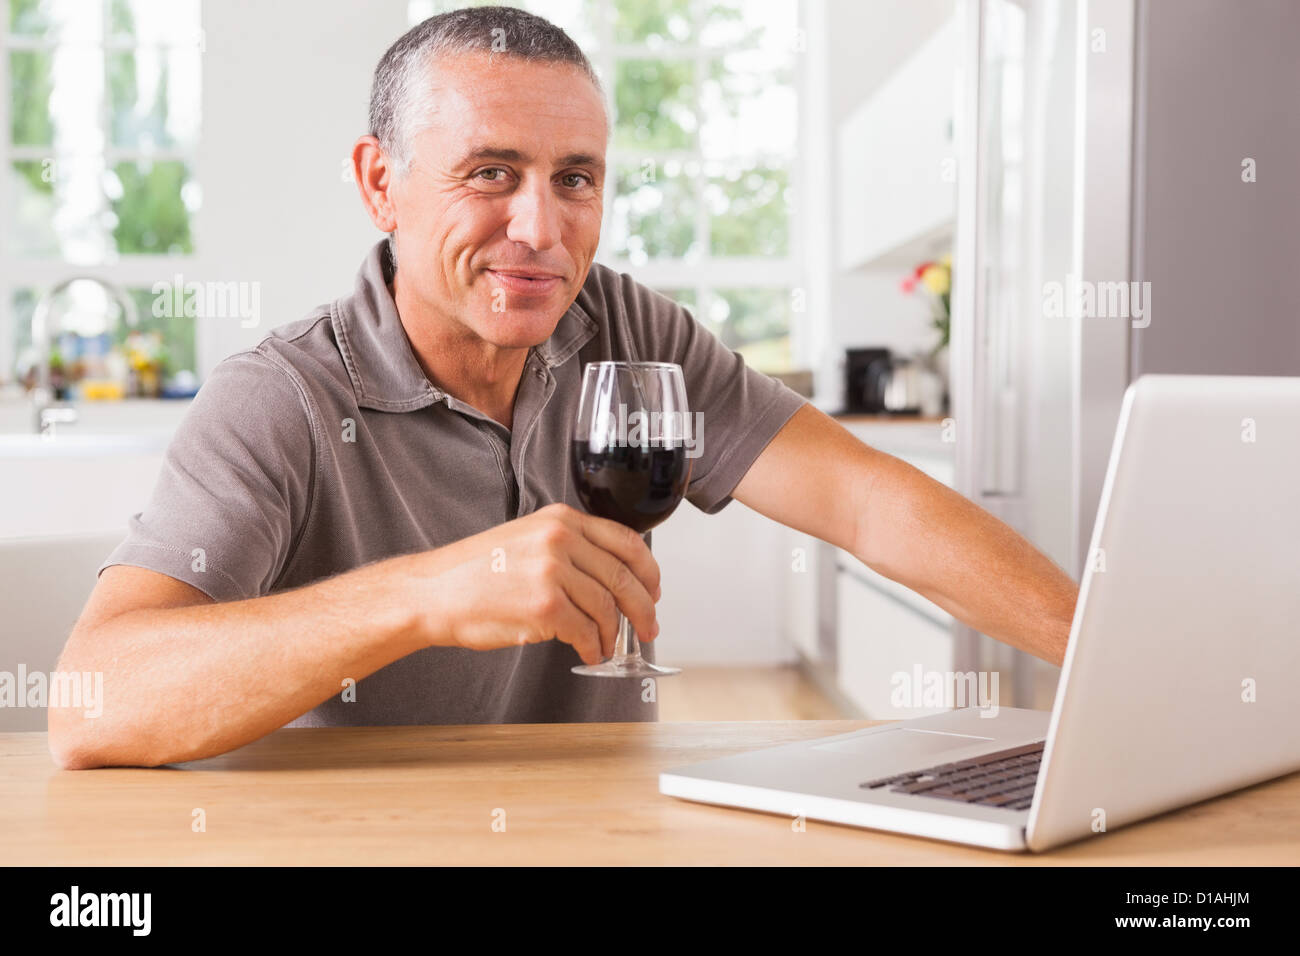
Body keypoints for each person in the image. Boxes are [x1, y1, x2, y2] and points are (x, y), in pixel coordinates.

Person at [48, 7, 1078, 769]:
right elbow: (93, 701)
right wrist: (430, 589)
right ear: (380, 183)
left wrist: (1112, 659)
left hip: (594, 824)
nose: (542, 230)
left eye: (575, 178)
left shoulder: (626, 330)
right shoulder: (282, 398)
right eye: (490, 172)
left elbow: (865, 498)